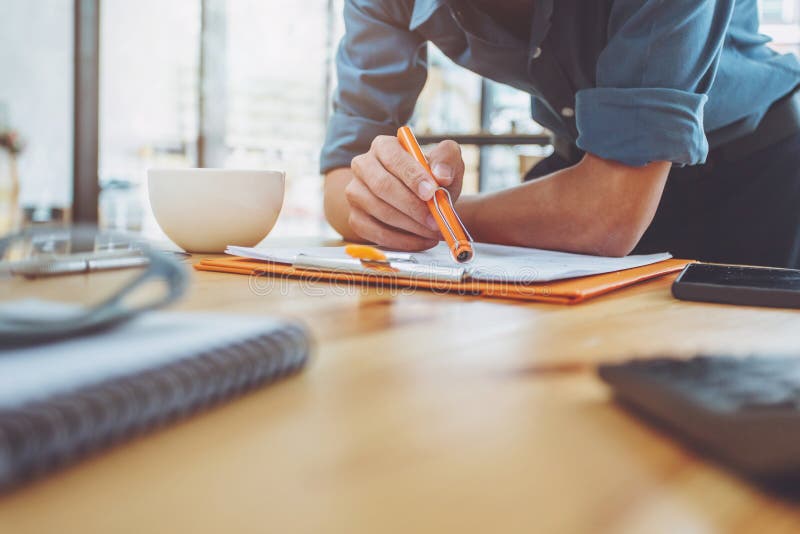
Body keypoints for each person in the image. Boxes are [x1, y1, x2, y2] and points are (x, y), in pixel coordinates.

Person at [320, 0, 800, 267]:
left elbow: (605, 215)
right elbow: (345, 179)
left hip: (757, 172)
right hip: (579, 180)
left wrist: (436, 214)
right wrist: (391, 195)